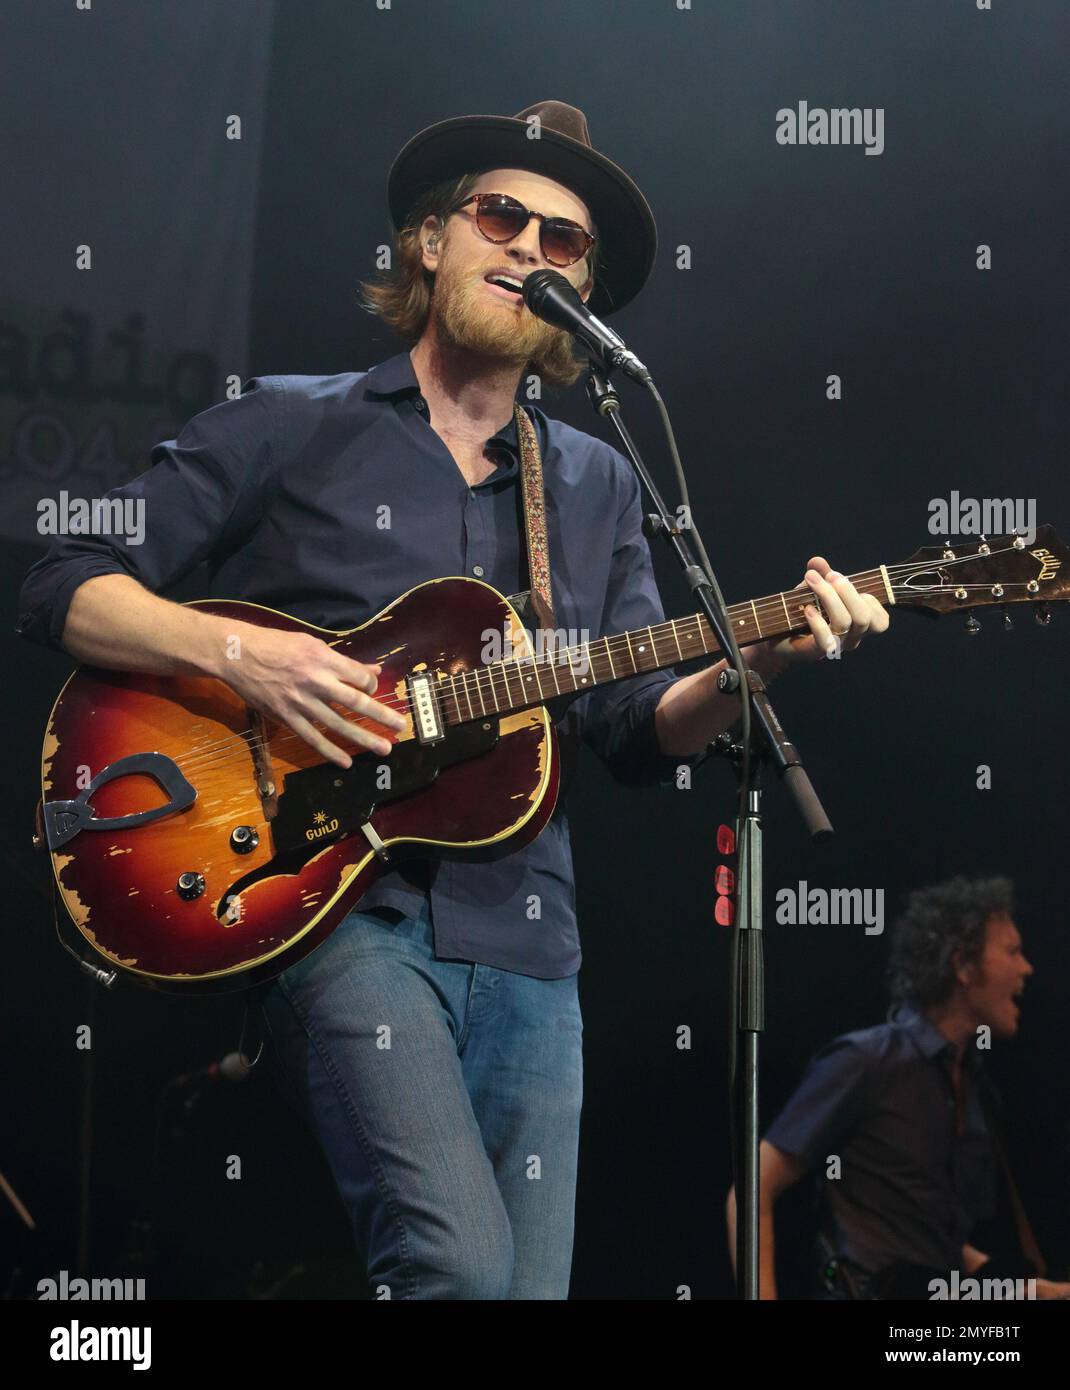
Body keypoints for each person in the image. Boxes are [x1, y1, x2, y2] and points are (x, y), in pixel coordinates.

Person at [17, 100, 889, 1299]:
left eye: (564, 240)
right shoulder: (293, 422)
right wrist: (236, 652)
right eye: (500, 214)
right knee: (459, 1271)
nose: (530, 247)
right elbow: (62, 581)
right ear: (430, 242)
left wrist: (772, 651)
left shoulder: (590, 482)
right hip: (333, 907)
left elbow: (634, 725)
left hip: (531, 939)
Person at [726, 875, 1070, 1300]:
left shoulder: (973, 1086)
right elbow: (752, 1185)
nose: (1027, 967)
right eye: (1012, 951)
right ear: (963, 966)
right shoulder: (868, 1061)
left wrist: (1040, 1292)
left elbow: (932, 1243)